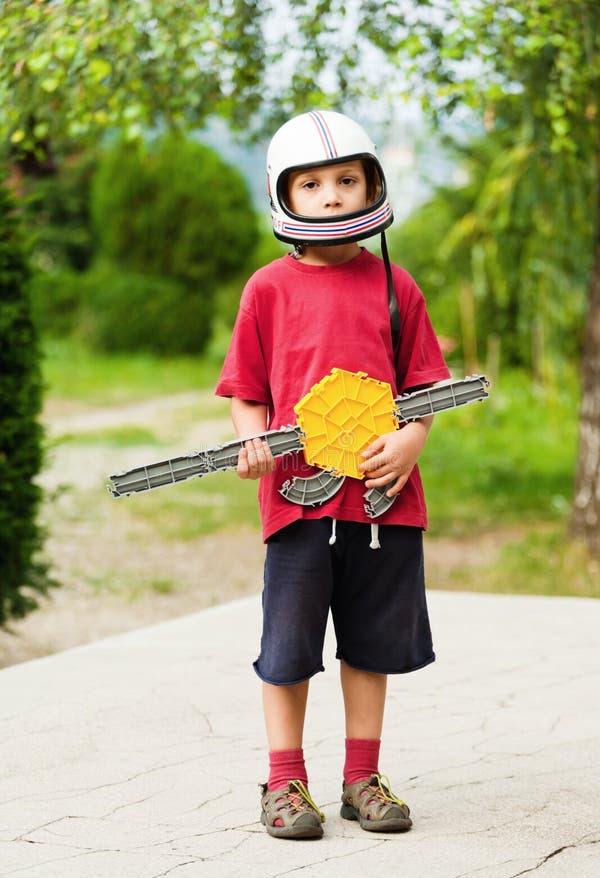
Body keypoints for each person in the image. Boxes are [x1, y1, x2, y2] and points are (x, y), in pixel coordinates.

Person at [215, 110, 450, 839]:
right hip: (296, 502)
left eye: (347, 179)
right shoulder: (267, 289)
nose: (331, 195)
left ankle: (362, 778)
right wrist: (253, 441)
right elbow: (246, 391)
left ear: (372, 184)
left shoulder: (396, 285)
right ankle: (285, 782)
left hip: (384, 499)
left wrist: (411, 442)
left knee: (370, 642)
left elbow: (426, 389)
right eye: (311, 184)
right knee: (287, 647)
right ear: (283, 194)